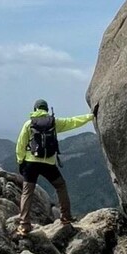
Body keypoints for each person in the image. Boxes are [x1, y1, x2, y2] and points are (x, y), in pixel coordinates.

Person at [15, 98, 94, 238]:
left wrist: (21, 161)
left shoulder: (29, 124)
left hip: (31, 162)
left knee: (27, 193)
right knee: (60, 186)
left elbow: (21, 144)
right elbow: (72, 121)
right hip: (48, 163)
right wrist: (90, 116)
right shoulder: (54, 122)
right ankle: (66, 217)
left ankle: (24, 225)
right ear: (46, 109)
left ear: (35, 110)